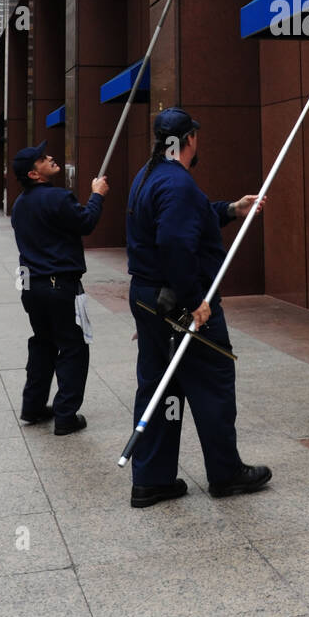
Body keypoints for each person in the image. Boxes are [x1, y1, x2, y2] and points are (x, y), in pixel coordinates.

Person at [126, 107, 271, 509]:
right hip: (179, 305)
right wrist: (196, 304)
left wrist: (229, 210)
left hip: (149, 298)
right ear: (189, 139)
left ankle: (152, 480)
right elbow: (175, 244)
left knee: (161, 388)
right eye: (197, 136)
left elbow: (184, 219)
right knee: (213, 383)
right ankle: (226, 474)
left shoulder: (149, 176)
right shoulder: (178, 185)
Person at [10, 141, 109, 434]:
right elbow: (86, 222)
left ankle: (34, 406)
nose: (51, 157)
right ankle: (66, 415)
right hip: (58, 285)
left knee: (42, 342)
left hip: (30, 286)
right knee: (72, 347)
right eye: (43, 158)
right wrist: (97, 195)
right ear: (34, 174)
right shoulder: (57, 197)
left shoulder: (19, 205)